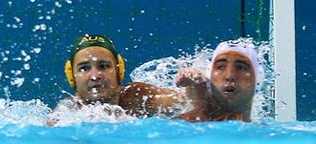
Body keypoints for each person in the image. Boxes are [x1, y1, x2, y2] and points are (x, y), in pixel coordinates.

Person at [49, 33, 185, 122]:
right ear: (72, 76)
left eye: (103, 66)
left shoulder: (138, 96)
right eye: (84, 68)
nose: (95, 76)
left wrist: (194, 85)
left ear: (118, 70)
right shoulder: (67, 113)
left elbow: (188, 102)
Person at [176, 40, 258, 122]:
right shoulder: (186, 120)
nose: (229, 76)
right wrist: (194, 88)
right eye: (221, 67)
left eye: (241, 67)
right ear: (209, 74)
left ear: (258, 78)